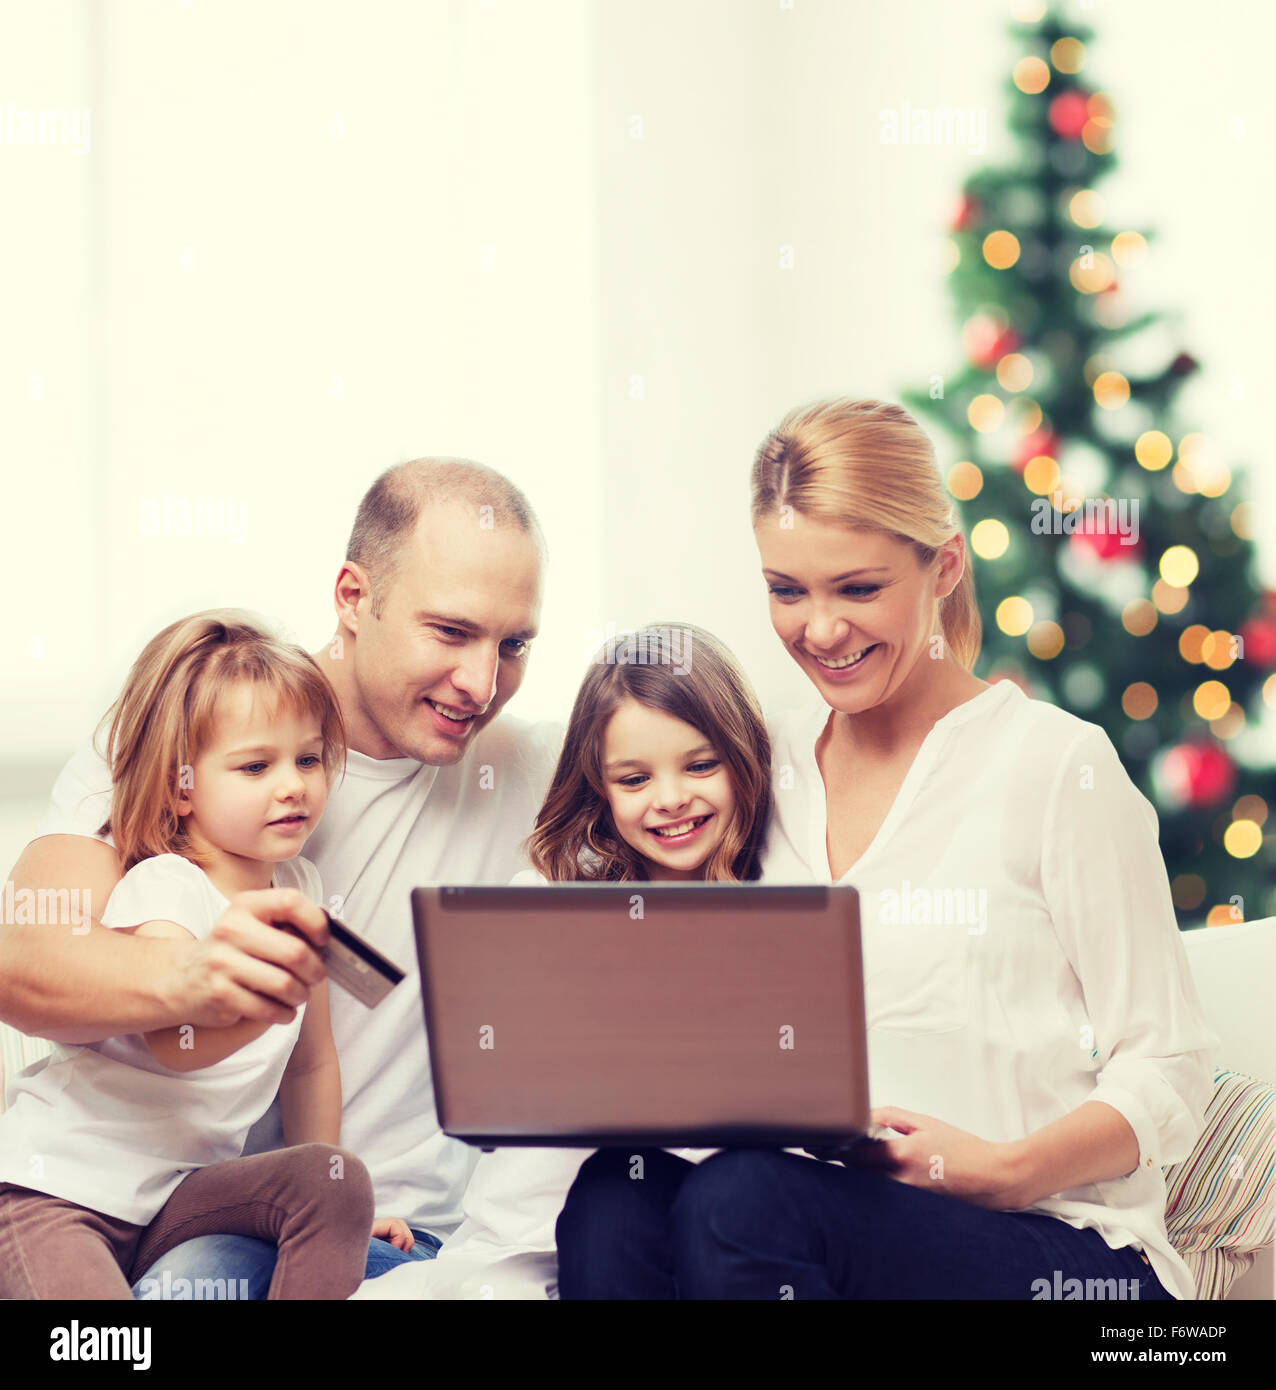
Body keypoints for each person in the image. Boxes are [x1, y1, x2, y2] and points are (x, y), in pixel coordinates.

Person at [554, 397, 1221, 1300]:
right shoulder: (762, 766)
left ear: (943, 567)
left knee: (741, 1199)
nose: (819, 632)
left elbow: (1171, 1067)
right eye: (787, 590)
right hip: (829, 1220)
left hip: (1057, 1245)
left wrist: (1006, 1168)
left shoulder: (1057, 765)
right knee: (614, 1195)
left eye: (858, 588)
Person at [0, 459, 564, 1295]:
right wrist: (200, 981)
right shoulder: (194, 738)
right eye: (450, 632)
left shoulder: (543, 771)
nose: (483, 685)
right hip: (168, 1215)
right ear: (352, 598)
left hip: (404, 1232)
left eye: (513, 645)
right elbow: (25, 963)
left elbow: (313, 1059)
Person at [352, 621, 774, 1299]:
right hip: (510, 1250)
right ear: (601, 789)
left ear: (744, 759)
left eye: (700, 765)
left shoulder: (776, 920)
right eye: (634, 778)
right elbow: (495, 1080)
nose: (670, 799)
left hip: (658, 1247)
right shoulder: (546, 906)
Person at [0, 611, 387, 1299]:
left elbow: (312, 1062)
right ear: (182, 786)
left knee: (338, 1182)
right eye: (256, 766)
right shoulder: (167, 883)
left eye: (307, 759)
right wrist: (267, 995)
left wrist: (333, 1175)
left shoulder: (303, 889)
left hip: (171, 1199)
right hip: (58, 1192)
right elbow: (177, 1043)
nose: (293, 784)